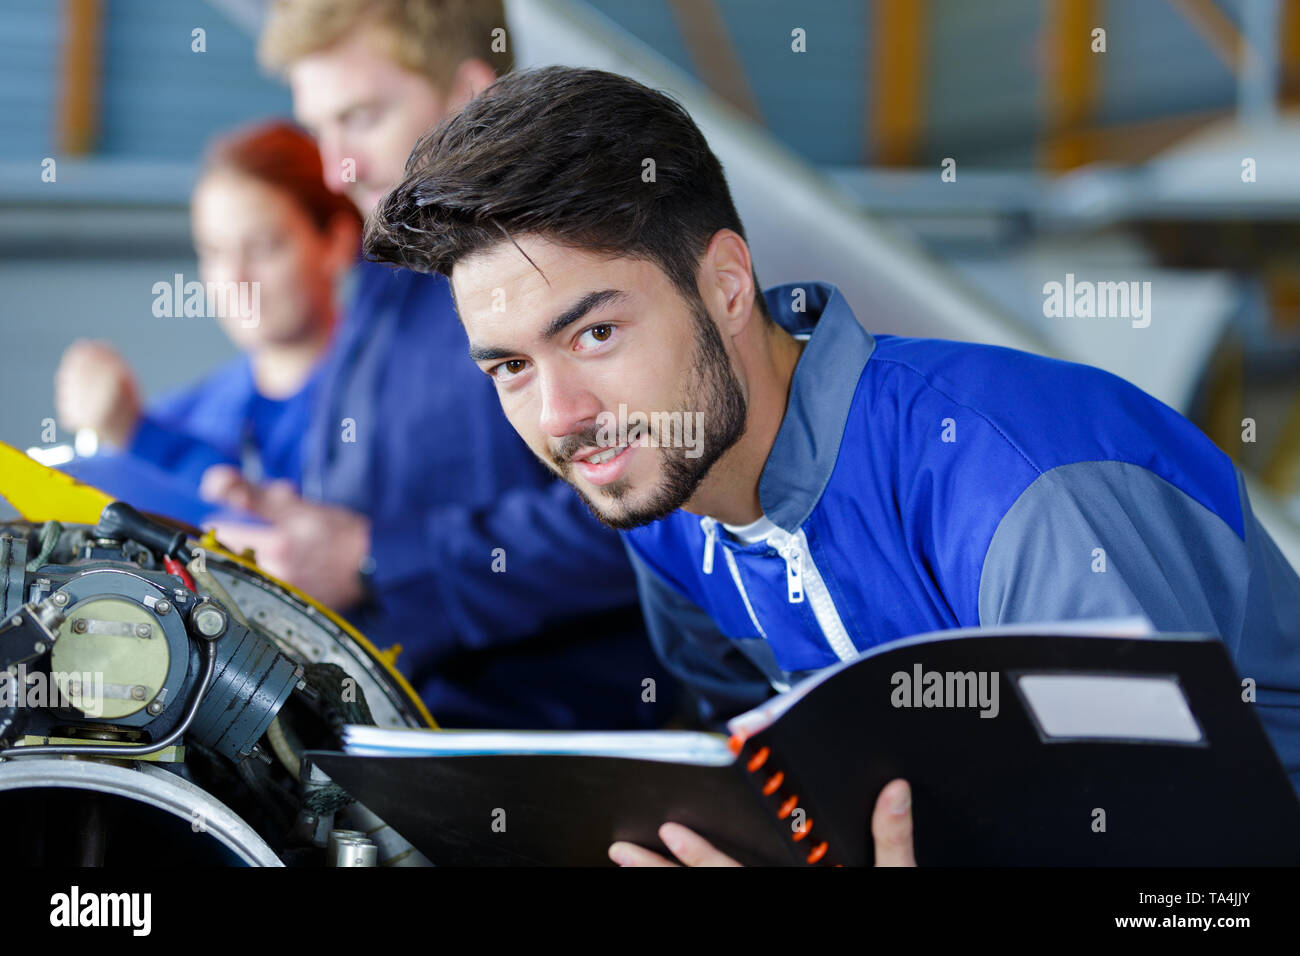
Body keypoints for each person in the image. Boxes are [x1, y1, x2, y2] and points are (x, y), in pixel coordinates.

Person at [361, 65, 1300, 865]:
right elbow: (771, 779)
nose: (561, 417)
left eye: (597, 332)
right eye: (512, 368)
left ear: (726, 285)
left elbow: (1193, 898)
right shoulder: (670, 507)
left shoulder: (1020, 495)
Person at [201, 0, 674, 731]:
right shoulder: (391, 269)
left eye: (360, 118)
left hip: (549, 769)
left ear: (467, 96)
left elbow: (650, 517)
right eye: (319, 128)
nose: (335, 167)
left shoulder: (577, 262)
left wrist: (373, 560)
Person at [54, 120, 359, 492]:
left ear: (336, 244)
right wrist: (118, 435)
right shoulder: (186, 415)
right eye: (213, 252)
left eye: (263, 247)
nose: (233, 279)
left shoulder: (385, 403)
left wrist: (141, 439)